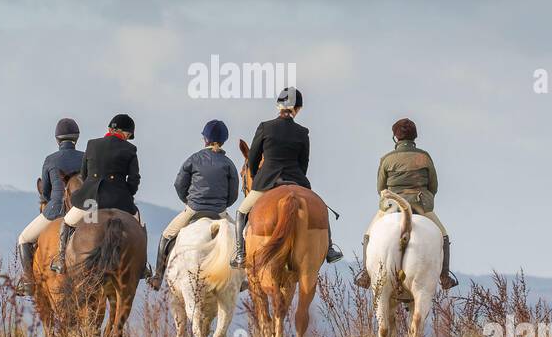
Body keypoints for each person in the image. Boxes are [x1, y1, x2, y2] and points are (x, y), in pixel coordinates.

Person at [232, 87, 343, 267]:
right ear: (297, 108)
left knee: (242, 211)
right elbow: (303, 162)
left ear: (279, 106)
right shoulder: (302, 131)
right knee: (320, 207)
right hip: (296, 179)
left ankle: (239, 254)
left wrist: (256, 177)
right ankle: (329, 249)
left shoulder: (265, 127)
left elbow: (252, 158)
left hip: (266, 181)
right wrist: (298, 180)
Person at [355, 117, 457, 290]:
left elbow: (380, 187)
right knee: (443, 235)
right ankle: (444, 276)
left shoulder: (387, 159)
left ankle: (365, 273)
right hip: (420, 204)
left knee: (369, 234)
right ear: (415, 137)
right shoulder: (424, 157)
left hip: (392, 205)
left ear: (395, 137)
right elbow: (433, 186)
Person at [150, 119, 240, 290]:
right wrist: (221, 205)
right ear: (223, 140)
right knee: (240, 240)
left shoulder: (193, 159)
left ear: (205, 139)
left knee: (167, 235)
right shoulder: (229, 163)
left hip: (193, 210)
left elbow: (179, 184)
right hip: (219, 212)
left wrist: (189, 202)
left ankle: (158, 277)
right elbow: (234, 193)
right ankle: (242, 278)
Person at [52, 113, 144, 273]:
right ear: (126, 133)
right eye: (129, 135)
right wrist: (126, 194)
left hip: (91, 201)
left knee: (67, 223)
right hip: (120, 201)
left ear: (110, 129)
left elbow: (84, 174)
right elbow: (134, 179)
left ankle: (61, 259)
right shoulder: (130, 149)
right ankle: (142, 266)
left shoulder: (92, 144)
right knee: (139, 226)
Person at [15, 118, 84, 294]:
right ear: (76, 138)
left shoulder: (50, 160)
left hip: (55, 211)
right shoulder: (85, 157)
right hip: (82, 212)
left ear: (57, 140)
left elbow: (45, 192)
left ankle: (29, 282)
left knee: (23, 239)